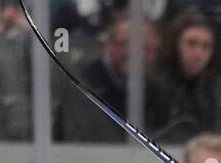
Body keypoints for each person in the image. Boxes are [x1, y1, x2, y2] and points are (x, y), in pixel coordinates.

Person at [54, 12, 161, 143]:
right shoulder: (82, 87)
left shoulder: (160, 91)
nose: (136, 54)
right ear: (108, 45)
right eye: (126, 44)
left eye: (146, 48)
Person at [152, 10, 221, 143]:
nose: (198, 54)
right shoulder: (152, 87)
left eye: (206, 46)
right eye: (191, 43)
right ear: (175, 45)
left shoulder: (219, 91)